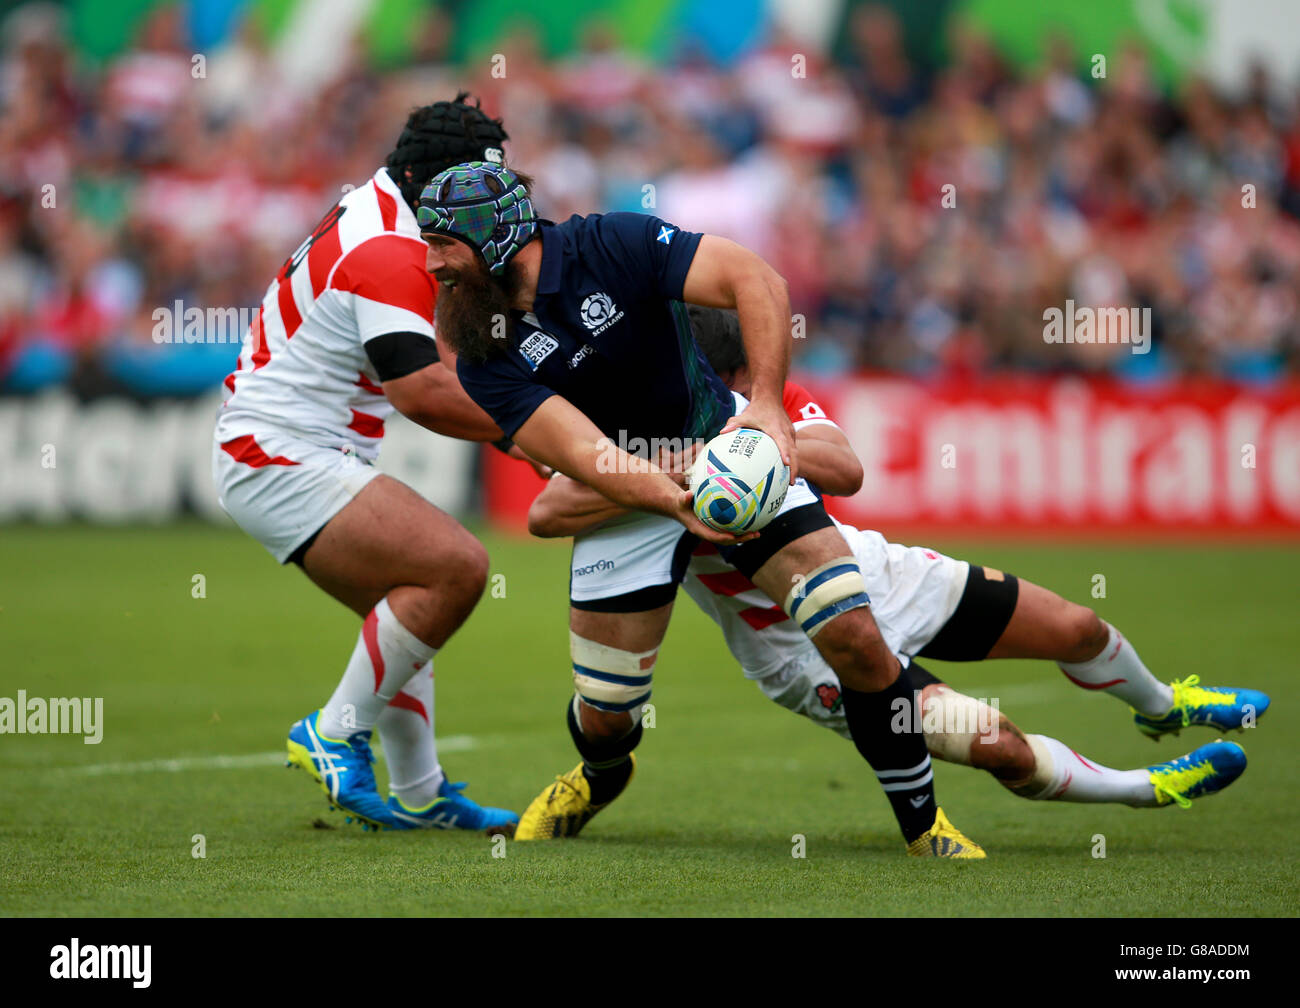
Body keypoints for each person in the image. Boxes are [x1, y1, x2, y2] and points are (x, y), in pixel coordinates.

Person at [419, 161, 982, 857]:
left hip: (727, 447)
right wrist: (676, 496)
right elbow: (589, 457)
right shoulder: (481, 351)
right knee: (607, 714)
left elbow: (755, 279)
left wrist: (767, 408)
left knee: (854, 635)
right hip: (624, 497)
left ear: (498, 239)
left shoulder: (613, 243)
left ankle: (924, 827)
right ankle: (600, 775)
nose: (432, 264)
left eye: (444, 245)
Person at [528, 307, 1268, 814]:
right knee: (1000, 745)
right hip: (799, 645)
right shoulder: (627, 435)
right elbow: (550, 511)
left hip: (871, 571)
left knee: (1077, 627)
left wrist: (750, 445)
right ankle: (1150, 789)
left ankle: (1163, 705)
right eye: (738, 380)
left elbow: (846, 468)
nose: (750, 389)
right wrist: (684, 471)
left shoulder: (767, 403)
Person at [212, 95, 525, 832]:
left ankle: (420, 792)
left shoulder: (385, 215)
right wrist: (537, 432)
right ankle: (333, 732)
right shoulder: (385, 245)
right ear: (420, 180)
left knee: (410, 605)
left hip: (291, 447)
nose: (478, 208)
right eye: (464, 189)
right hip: (281, 451)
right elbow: (421, 391)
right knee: (457, 568)